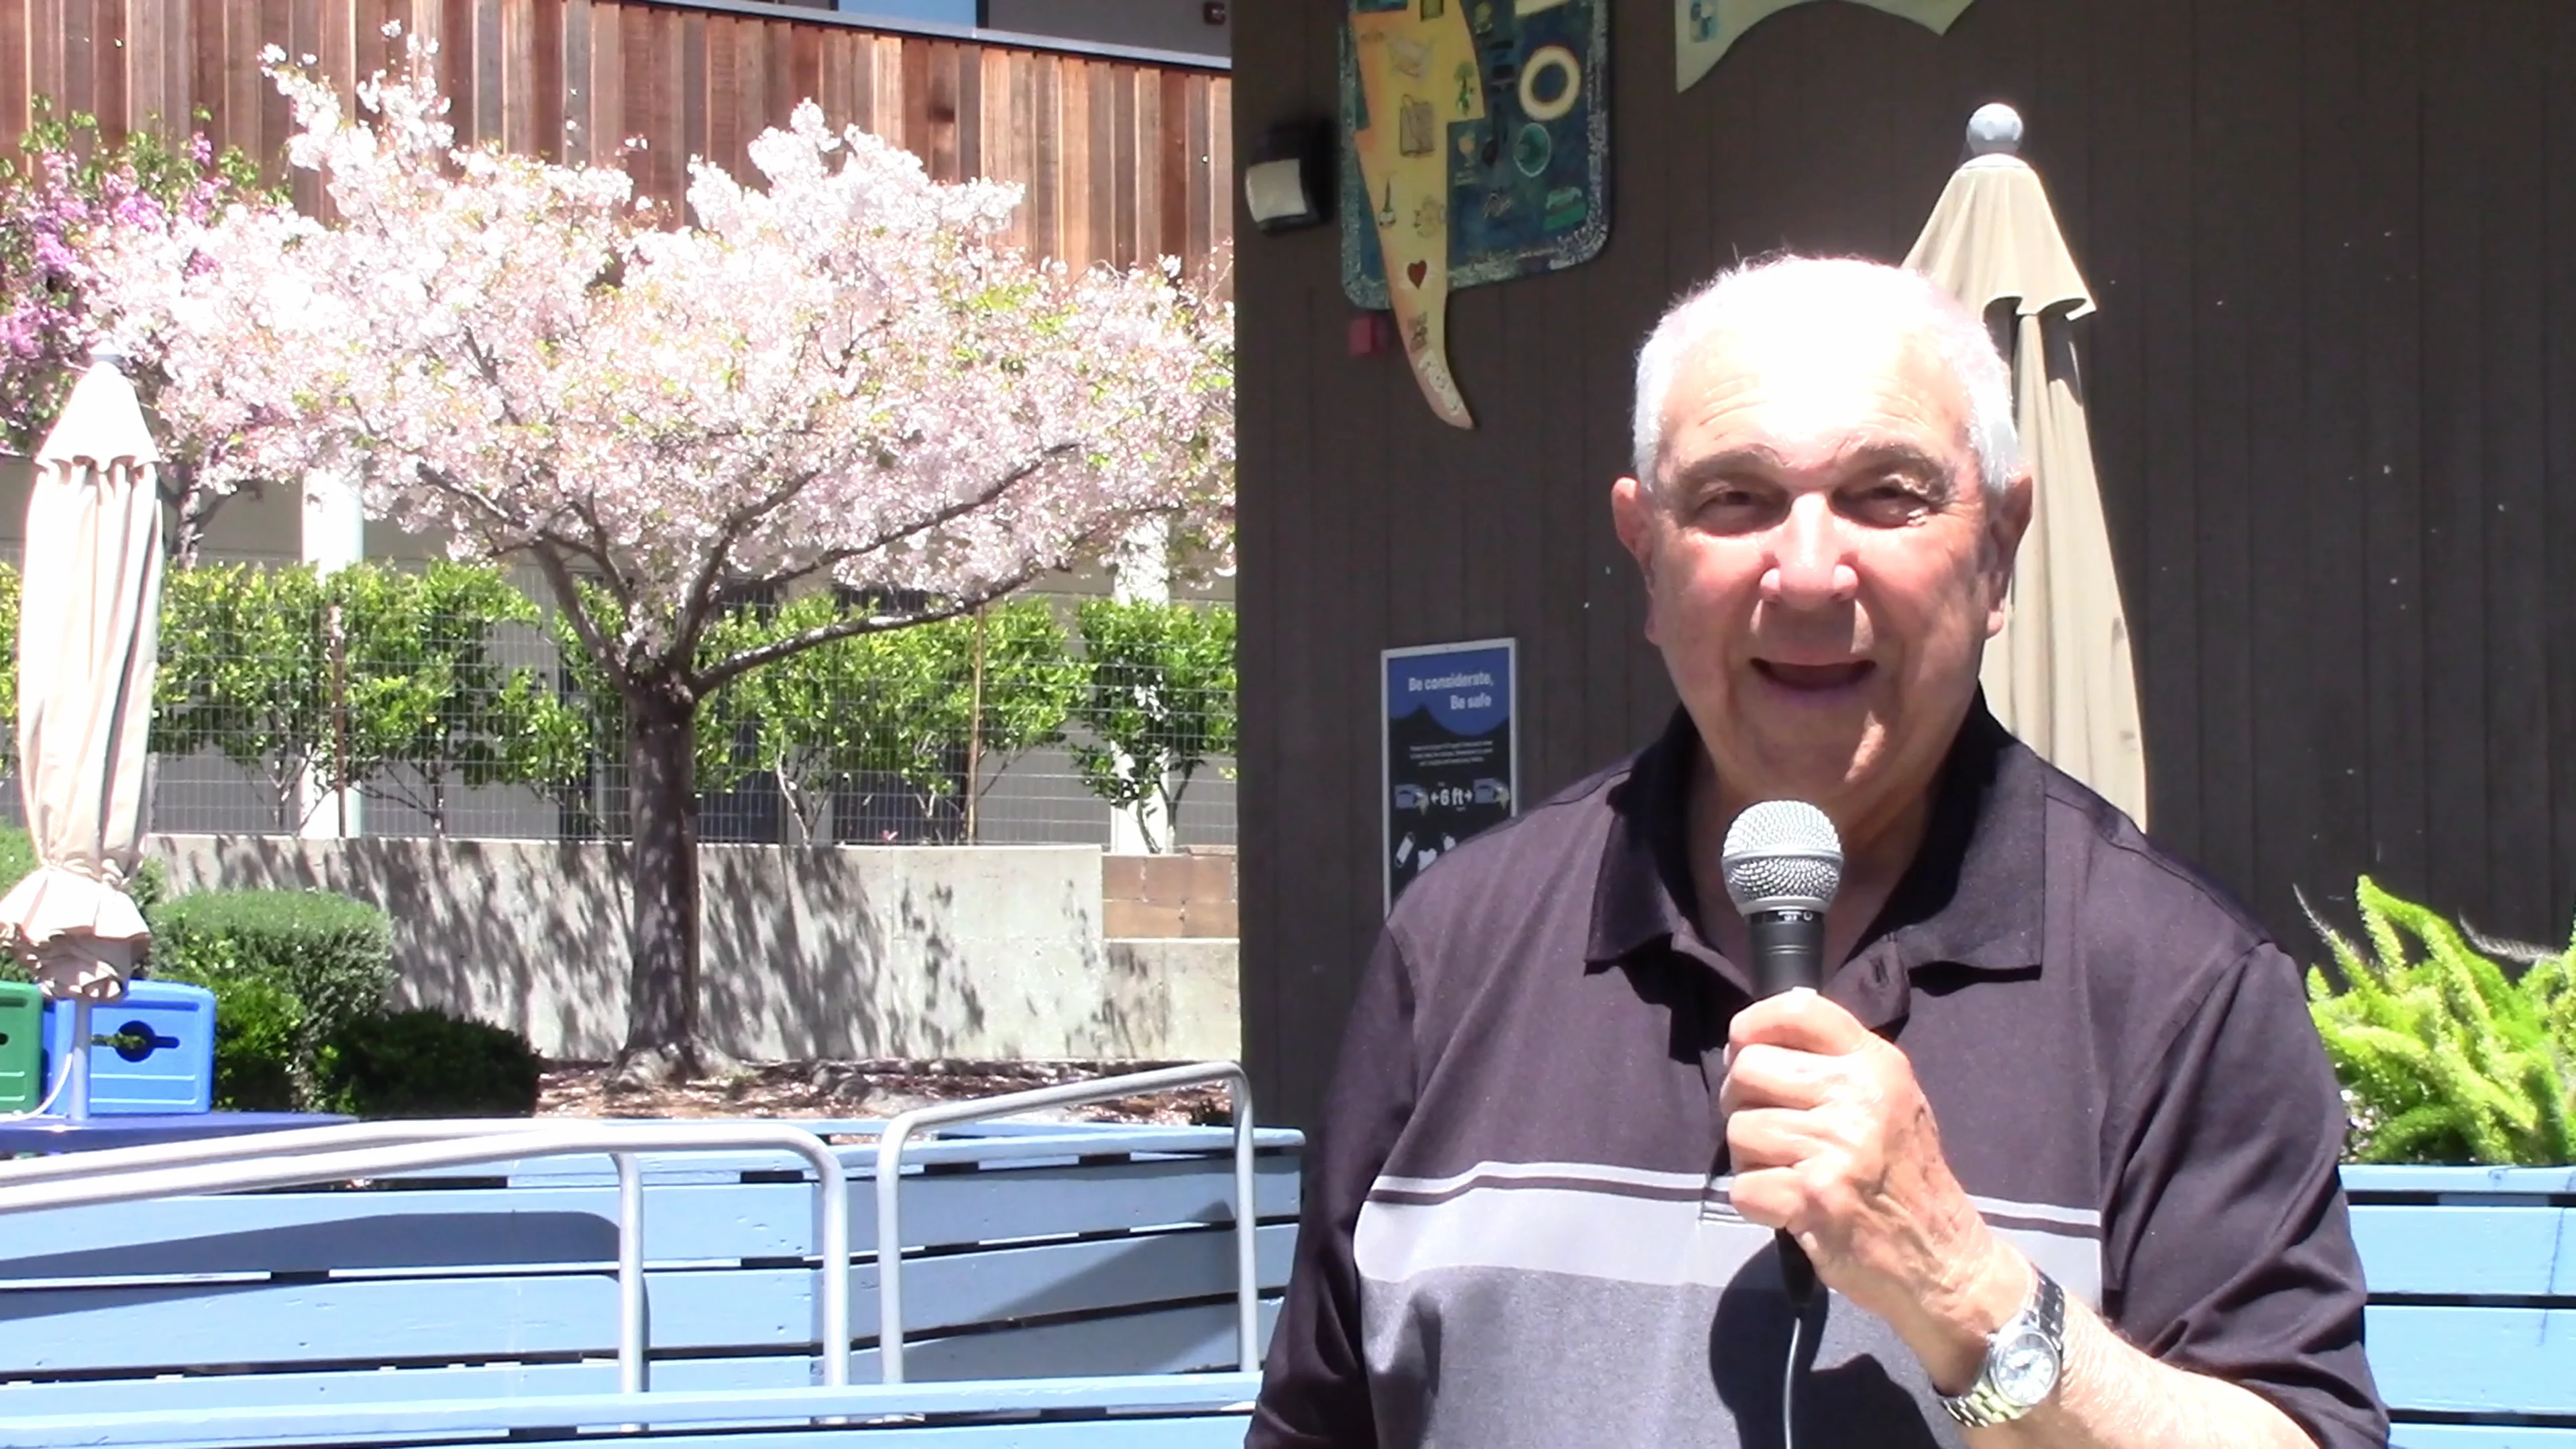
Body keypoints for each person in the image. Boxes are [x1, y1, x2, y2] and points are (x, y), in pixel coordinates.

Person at [1245, 255, 2387, 1448]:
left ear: (2000, 545)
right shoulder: (1456, 950)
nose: (1803, 572)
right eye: (1733, 499)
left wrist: (1962, 1289)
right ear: (1646, 551)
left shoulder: (2178, 986)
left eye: (1887, 493)